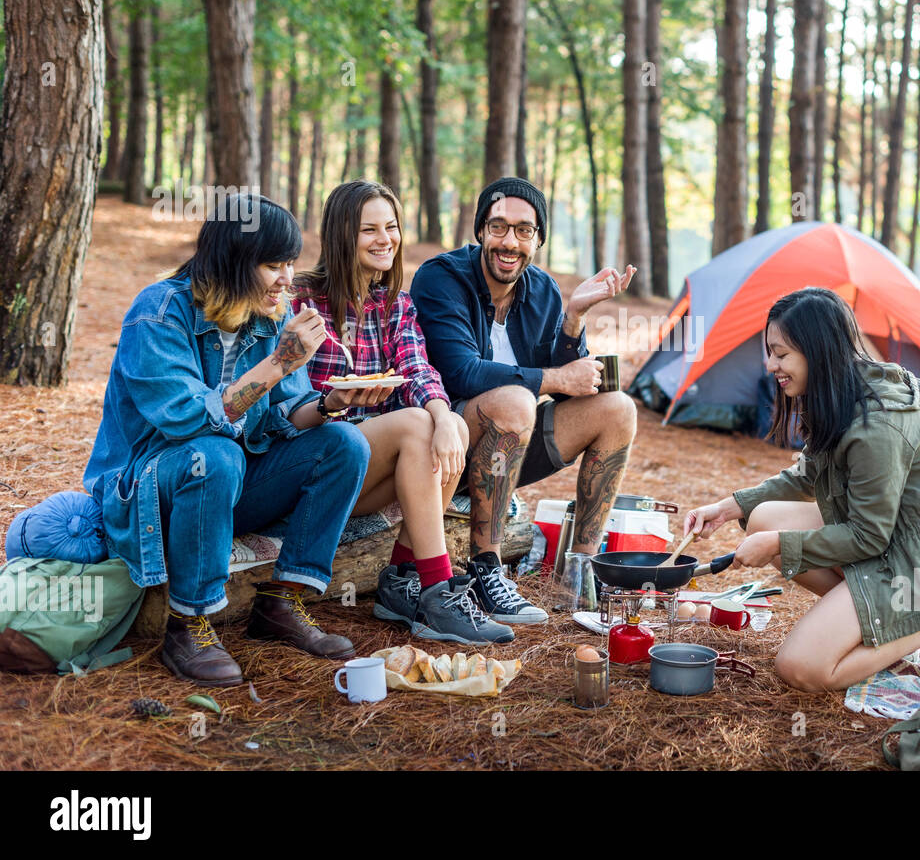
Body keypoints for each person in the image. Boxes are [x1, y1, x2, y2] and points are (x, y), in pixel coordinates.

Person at [83, 194, 373, 687]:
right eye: (273, 265)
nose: (287, 279)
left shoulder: (268, 316)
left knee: (345, 443)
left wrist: (330, 406)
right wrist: (280, 361)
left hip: (226, 485)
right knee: (213, 455)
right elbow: (189, 420)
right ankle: (188, 623)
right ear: (234, 262)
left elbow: (284, 415)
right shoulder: (158, 313)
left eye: (289, 263)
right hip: (152, 492)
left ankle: (282, 600)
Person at [683, 288, 920, 693]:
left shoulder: (878, 426)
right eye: (769, 352)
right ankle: (879, 622)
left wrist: (777, 546)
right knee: (762, 518)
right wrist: (730, 507)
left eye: (781, 353)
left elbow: (867, 536)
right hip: (893, 540)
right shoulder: (840, 394)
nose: (771, 365)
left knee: (800, 668)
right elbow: (808, 473)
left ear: (816, 351)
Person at [292, 180, 512, 645]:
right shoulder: (300, 301)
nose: (384, 239)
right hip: (311, 466)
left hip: (366, 477)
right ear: (340, 236)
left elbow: (417, 367)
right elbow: (286, 403)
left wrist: (446, 415)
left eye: (391, 227)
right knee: (421, 423)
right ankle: (440, 591)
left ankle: (400, 580)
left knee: (442, 424)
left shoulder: (394, 305)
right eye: (368, 229)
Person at [410, 177, 638, 625]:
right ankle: (485, 570)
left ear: (538, 239)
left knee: (619, 410)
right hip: (444, 446)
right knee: (515, 400)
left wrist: (574, 319)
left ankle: (580, 574)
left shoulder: (543, 291)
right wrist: (555, 377)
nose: (509, 242)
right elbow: (461, 371)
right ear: (479, 231)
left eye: (524, 230)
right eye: (498, 227)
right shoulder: (441, 278)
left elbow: (566, 381)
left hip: (506, 451)